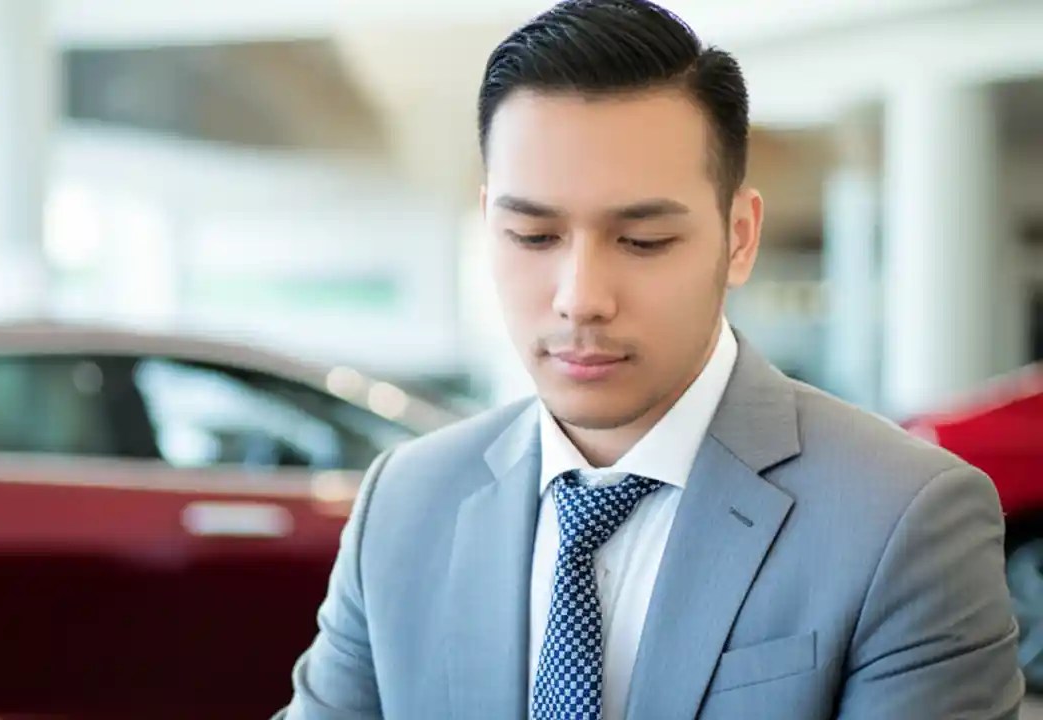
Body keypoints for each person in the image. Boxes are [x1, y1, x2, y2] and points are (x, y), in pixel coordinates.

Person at [277, 1, 1025, 717]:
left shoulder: (902, 518)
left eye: (642, 242)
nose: (581, 298)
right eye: (533, 237)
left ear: (739, 237)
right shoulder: (407, 502)